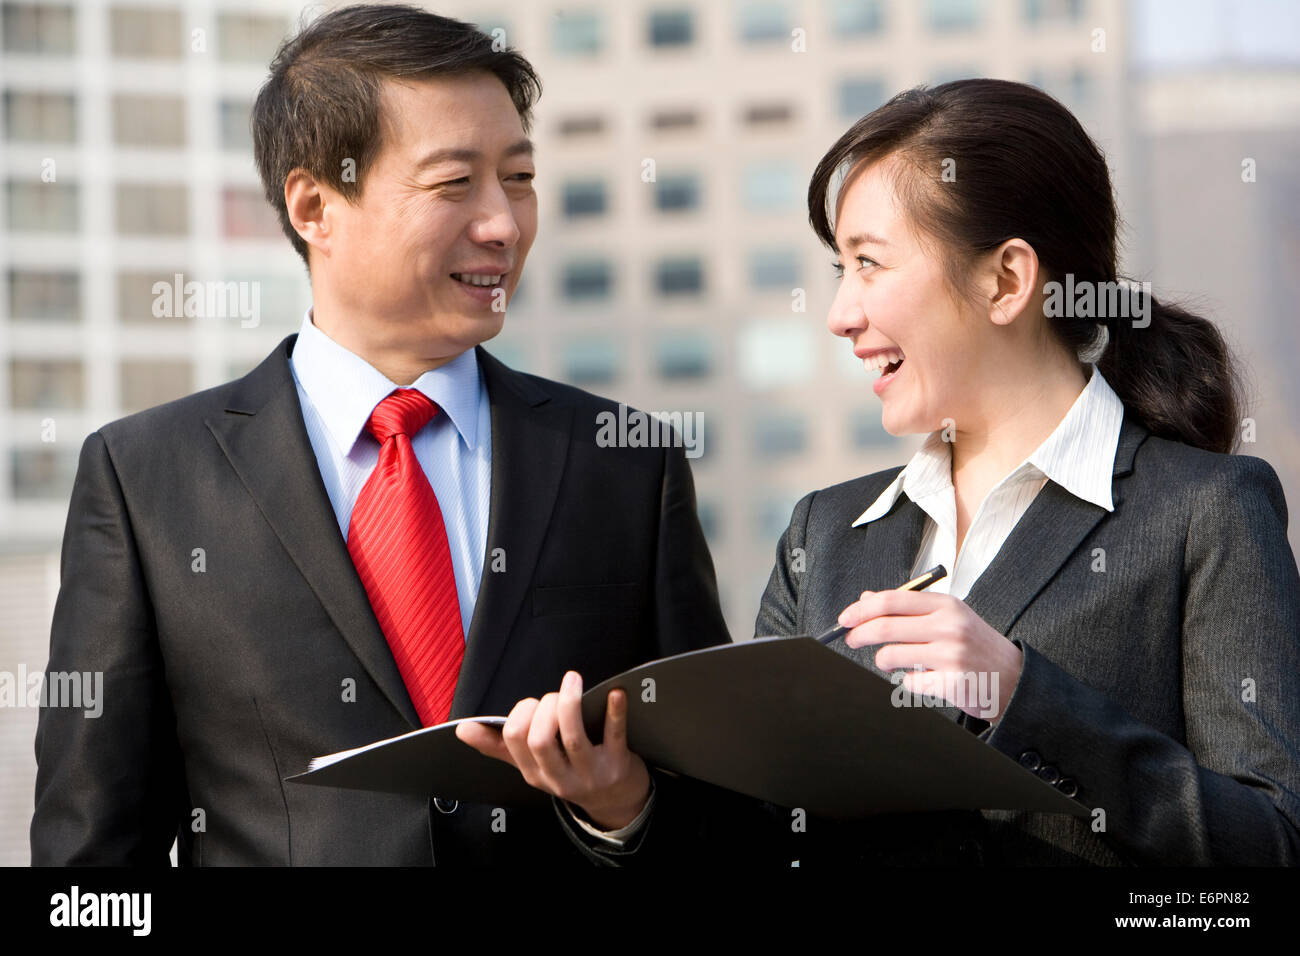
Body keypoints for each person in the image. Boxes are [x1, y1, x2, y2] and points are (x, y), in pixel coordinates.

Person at [30, 5, 728, 866]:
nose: (504, 223)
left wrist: (624, 809)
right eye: (453, 184)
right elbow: (92, 859)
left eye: (518, 177)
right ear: (316, 204)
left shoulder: (622, 461)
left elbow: (727, 814)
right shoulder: (145, 481)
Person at [751, 78, 1300, 865]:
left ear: (1006, 280)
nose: (840, 314)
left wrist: (1023, 695)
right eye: (841, 269)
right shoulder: (822, 533)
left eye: (868, 263)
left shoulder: (1207, 513)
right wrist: (620, 807)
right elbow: (755, 836)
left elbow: (1274, 846)